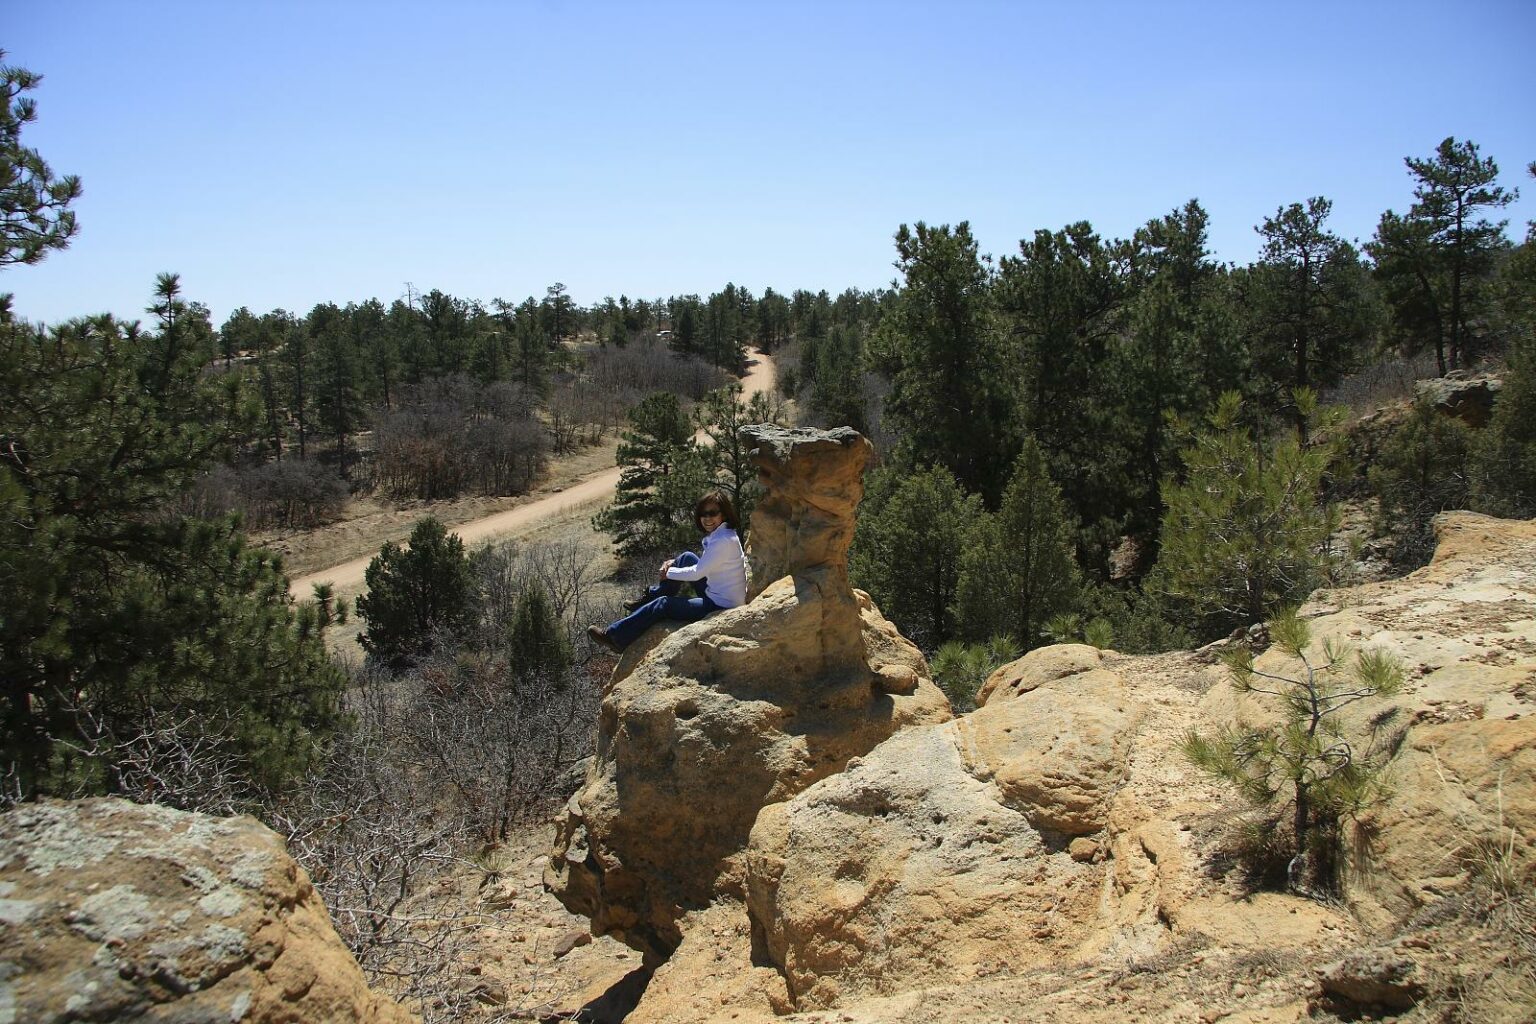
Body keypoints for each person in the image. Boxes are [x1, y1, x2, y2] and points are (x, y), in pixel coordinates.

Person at [588, 490, 748, 652]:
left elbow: (697, 573)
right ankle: (649, 599)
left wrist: (669, 572)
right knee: (687, 557)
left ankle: (615, 637)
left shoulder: (722, 541)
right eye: (703, 513)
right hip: (719, 593)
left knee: (663, 604)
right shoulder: (725, 534)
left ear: (724, 515)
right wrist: (674, 565)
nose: (707, 518)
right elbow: (707, 566)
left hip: (720, 605)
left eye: (712, 513)